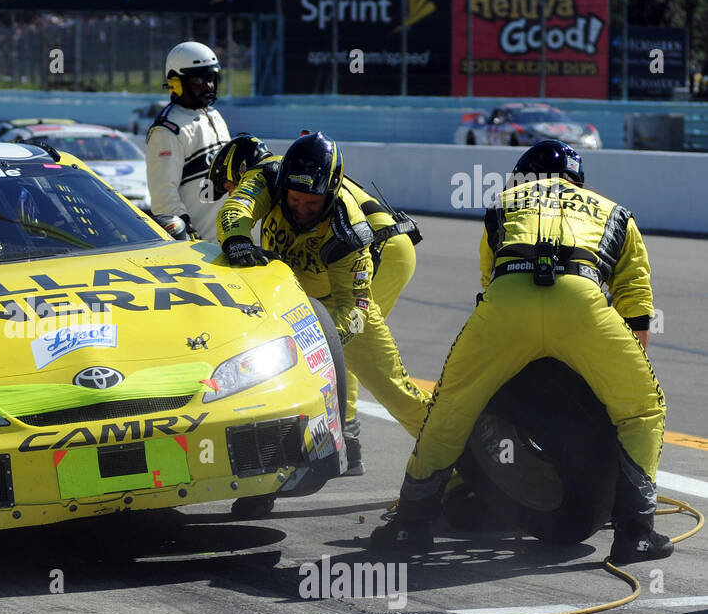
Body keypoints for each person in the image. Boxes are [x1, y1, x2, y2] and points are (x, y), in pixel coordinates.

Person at [373, 141, 670, 565]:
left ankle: (411, 524)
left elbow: (488, 280)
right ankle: (636, 535)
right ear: (579, 181)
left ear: (522, 175)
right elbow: (637, 304)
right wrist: (622, 377)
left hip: (508, 299)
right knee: (643, 410)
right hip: (582, 302)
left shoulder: (503, 203)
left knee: (451, 406)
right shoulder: (614, 211)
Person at [214, 131, 431, 504]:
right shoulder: (267, 176)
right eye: (293, 199)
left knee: (387, 385)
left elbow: (357, 309)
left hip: (354, 285)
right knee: (262, 377)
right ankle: (269, 477)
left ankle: (461, 465)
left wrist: (323, 340)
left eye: (312, 203)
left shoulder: (350, 229)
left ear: (330, 193)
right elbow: (235, 211)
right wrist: (236, 239)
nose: (300, 209)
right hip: (305, 290)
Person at [144, 41, 230, 241]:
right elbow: (163, 198)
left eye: (211, 78)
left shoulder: (215, 115)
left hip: (228, 239)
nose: (208, 86)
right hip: (201, 247)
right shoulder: (166, 131)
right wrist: (188, 234)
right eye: (198, 80)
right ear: (176, 83)